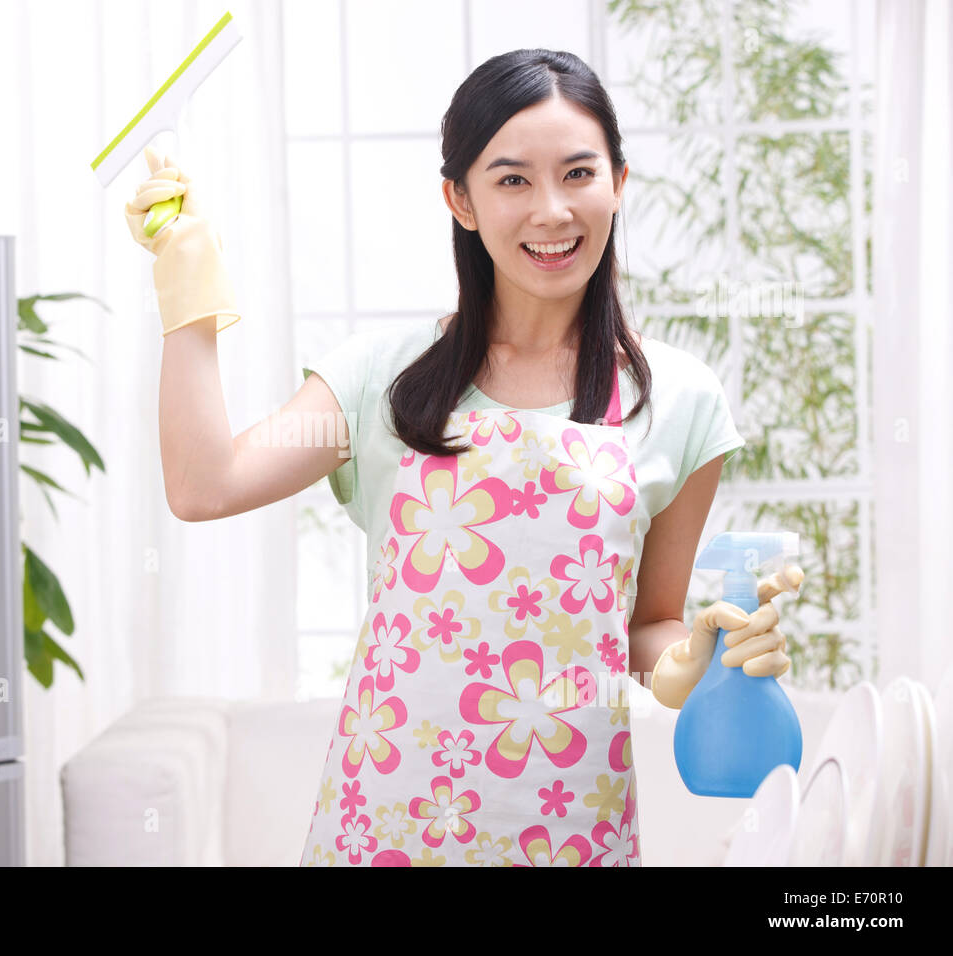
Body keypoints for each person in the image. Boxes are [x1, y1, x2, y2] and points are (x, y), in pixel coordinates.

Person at [125, 48, 803, 867]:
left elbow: (644, 629)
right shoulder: (385, 379)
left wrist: (700, 661)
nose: (552, 211)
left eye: (579, 173)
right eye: (512, 180)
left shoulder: (681, 401)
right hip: (384, 833)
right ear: (462, 200)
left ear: (619, 183)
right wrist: (188, 287)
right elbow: (205, 486)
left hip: (570, 834)